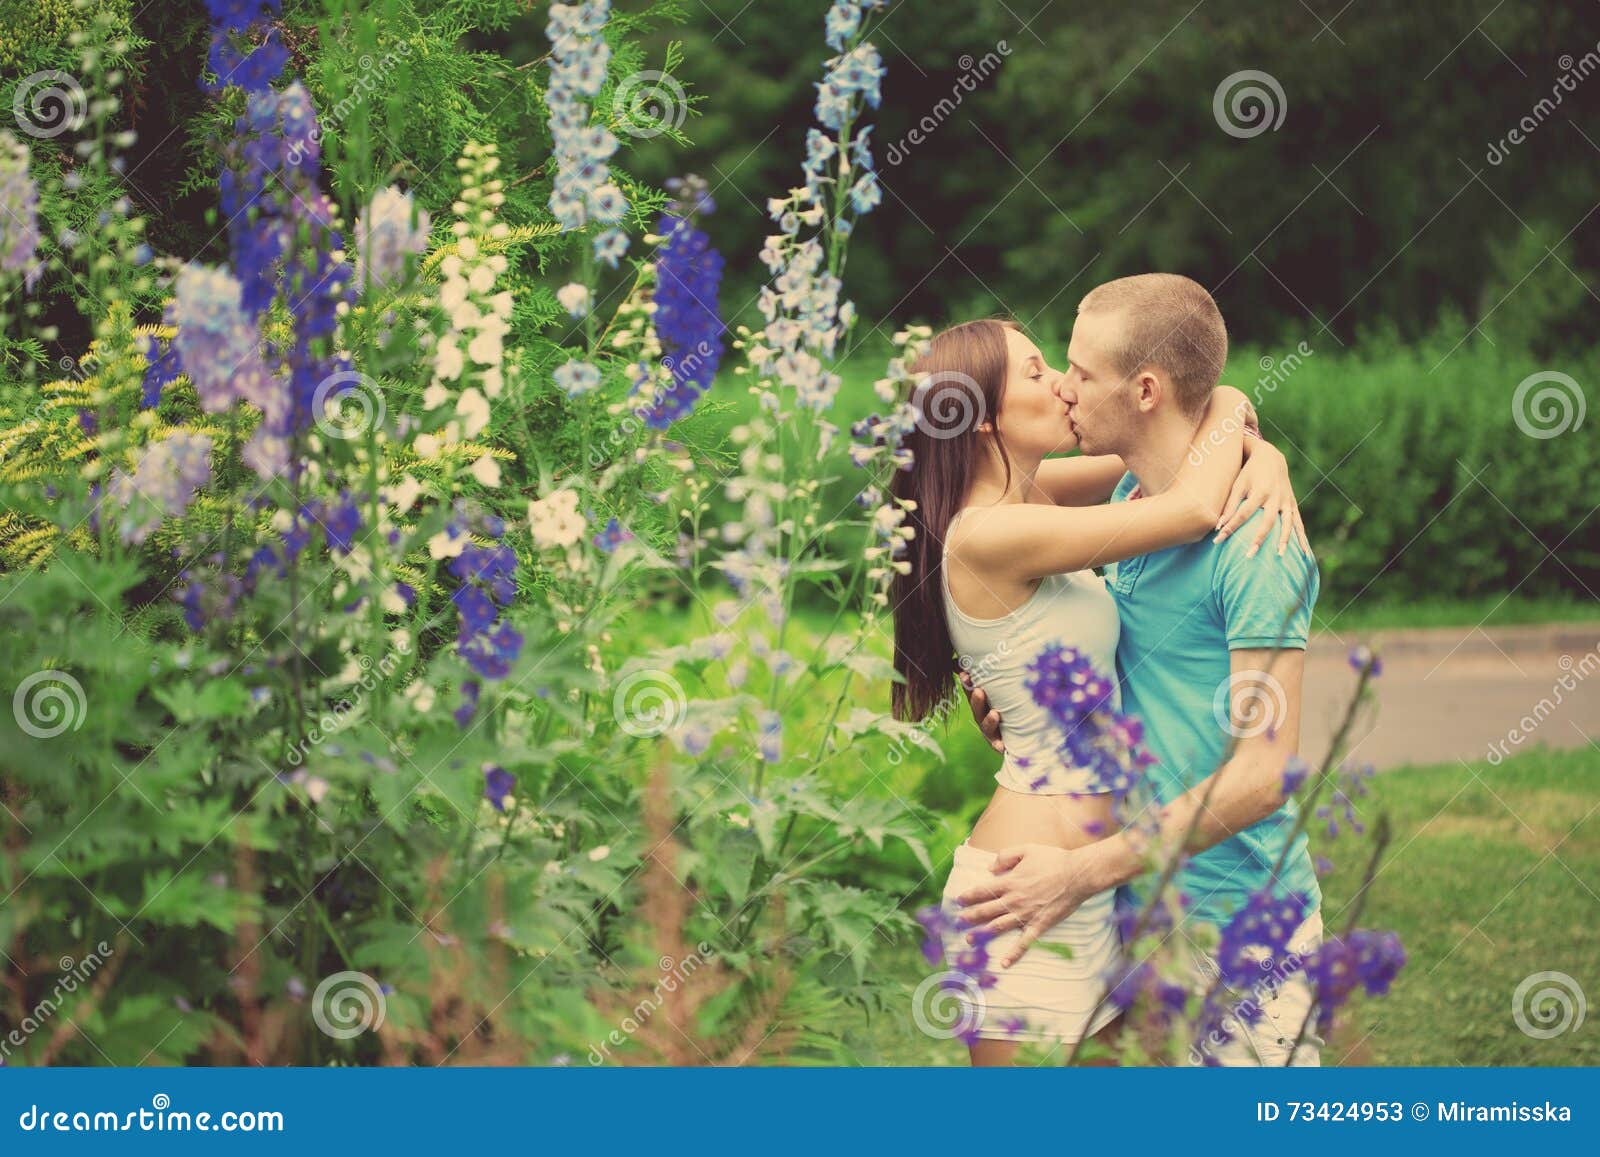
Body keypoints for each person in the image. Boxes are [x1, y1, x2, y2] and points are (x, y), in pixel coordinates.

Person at [889, 300, 1308, 1066]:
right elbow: (1188, 506)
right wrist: (1237, 411)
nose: (1064, 386)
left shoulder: (1032, 495)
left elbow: (1167, 450)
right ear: (982, 417)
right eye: (1041, 371)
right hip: (1024, 893)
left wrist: (1254, 441)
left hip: (1095, 885)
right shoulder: (991, 531)